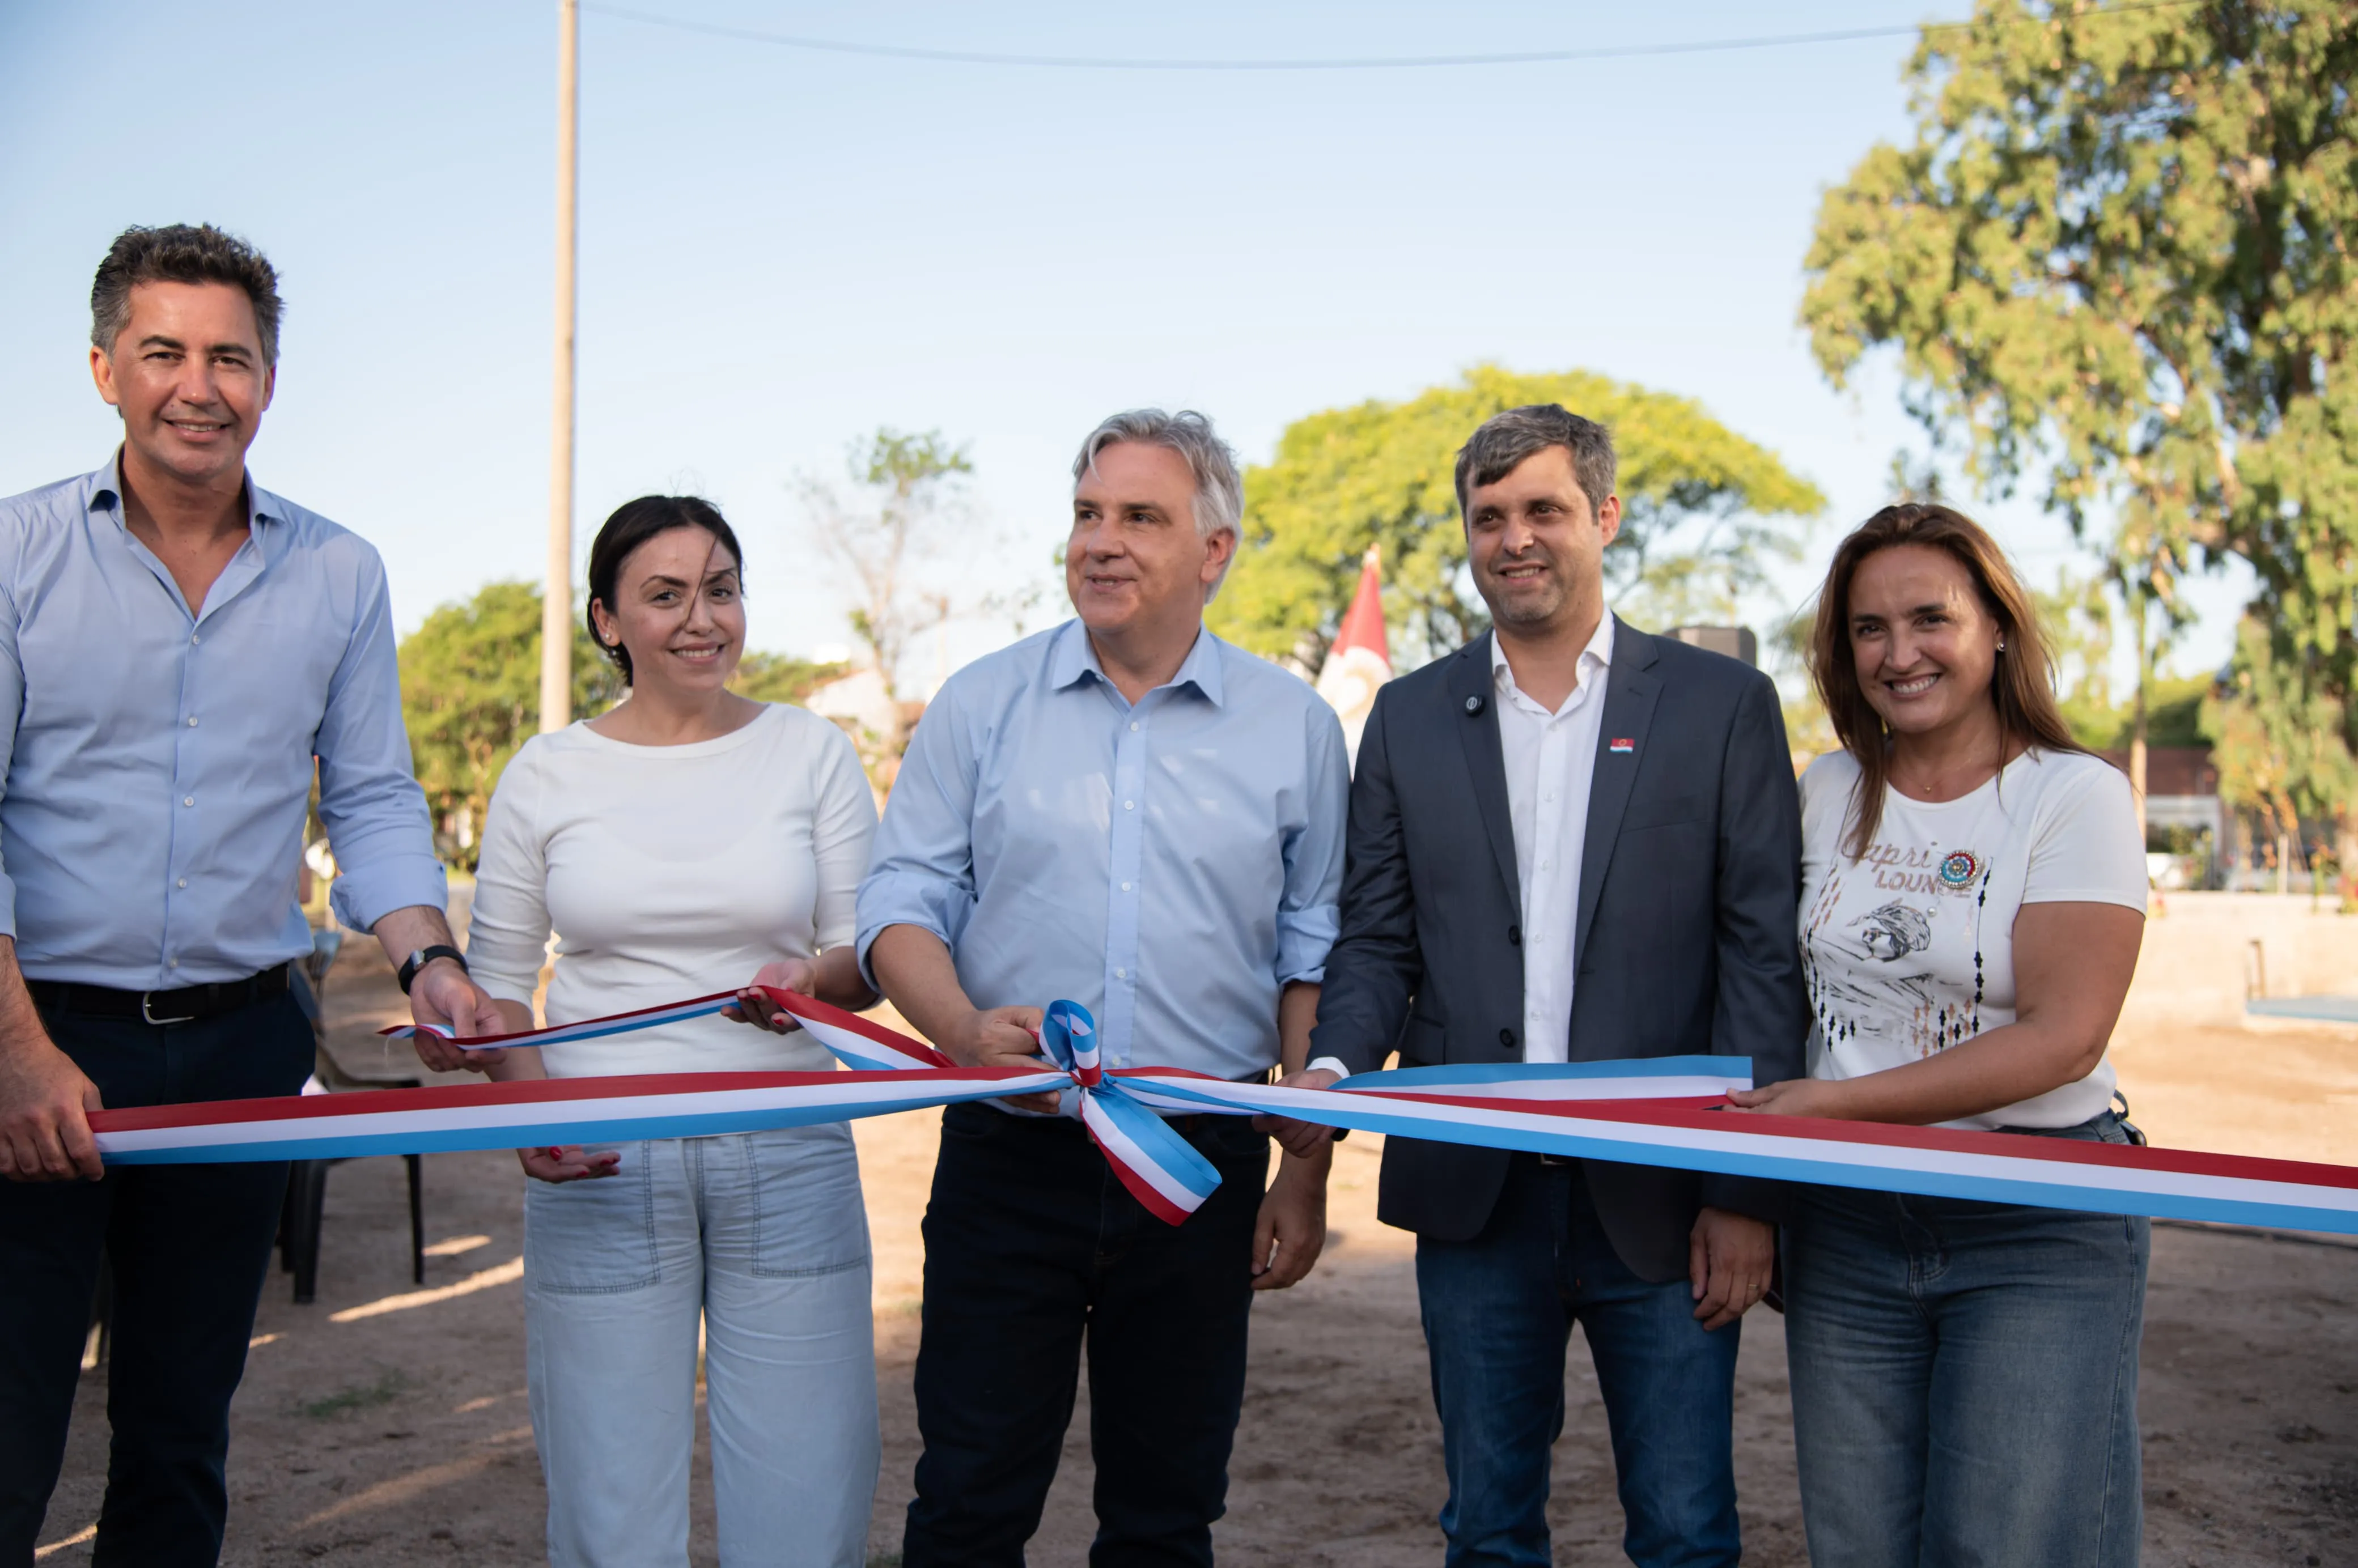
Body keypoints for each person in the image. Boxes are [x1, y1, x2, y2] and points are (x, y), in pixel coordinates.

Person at [0, 224, 500, 1566]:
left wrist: (430, 966)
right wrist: (17, 1054)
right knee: (8, 1422)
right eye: (164, 351)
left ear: (270, 382)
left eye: (232, 356)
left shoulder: (341, 573)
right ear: (104, 368)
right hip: (36, 1043)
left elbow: (379, 802)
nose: (198, 385)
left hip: (240, 1046)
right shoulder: (13, 556)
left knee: (181, 1433)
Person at [1288, 404, 1808, 1568]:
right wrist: (1327, 1070)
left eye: (1542, 510)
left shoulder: (1722, 707)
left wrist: (1747, 1191)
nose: (1513, 539)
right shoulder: (1409, 717)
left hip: (1667, 1196)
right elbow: (1376, 943)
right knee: (1485, 1529)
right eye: (1487, 518)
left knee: (1683, 1530)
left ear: (1604, 518)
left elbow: (1760, 957)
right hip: (1475, 1201)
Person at [858, 409, 1348, 1567]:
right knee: (969, 1500)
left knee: (1166, 1515)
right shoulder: (980, 705)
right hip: (1005, 1157)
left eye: (1141, 517)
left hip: (1197, 1166)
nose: (1101, 542)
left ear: (1214, 552)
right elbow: (896, 904)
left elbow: (1312, 950)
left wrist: (1303, 1169)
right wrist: (963, 1029)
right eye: (1087, 514)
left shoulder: (1297, 729)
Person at [435, 496, 883, 1568]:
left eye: (720, 589)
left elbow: (867, 956)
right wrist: (531, 1112)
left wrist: (808, 979)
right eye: (666, 593)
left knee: (807, 1495)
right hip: (603, 1159)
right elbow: (499, 983)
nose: (701, 618)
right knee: (608, 1501)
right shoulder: (545, 773)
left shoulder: (811, 750)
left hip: (789, 1156)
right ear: (607, 620)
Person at [1725, 502, 2150, 1566]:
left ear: (1997, 627)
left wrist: (1833, 1105)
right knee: (1859, 1544)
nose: (1899, 653)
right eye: (1870, 629)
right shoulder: (1825, 790)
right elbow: (1763, 972)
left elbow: (2065, 1035)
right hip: (1849, 1225)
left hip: (2036, 1216)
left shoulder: (2074, 796)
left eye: (1931, 619)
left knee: (2002, 1546)